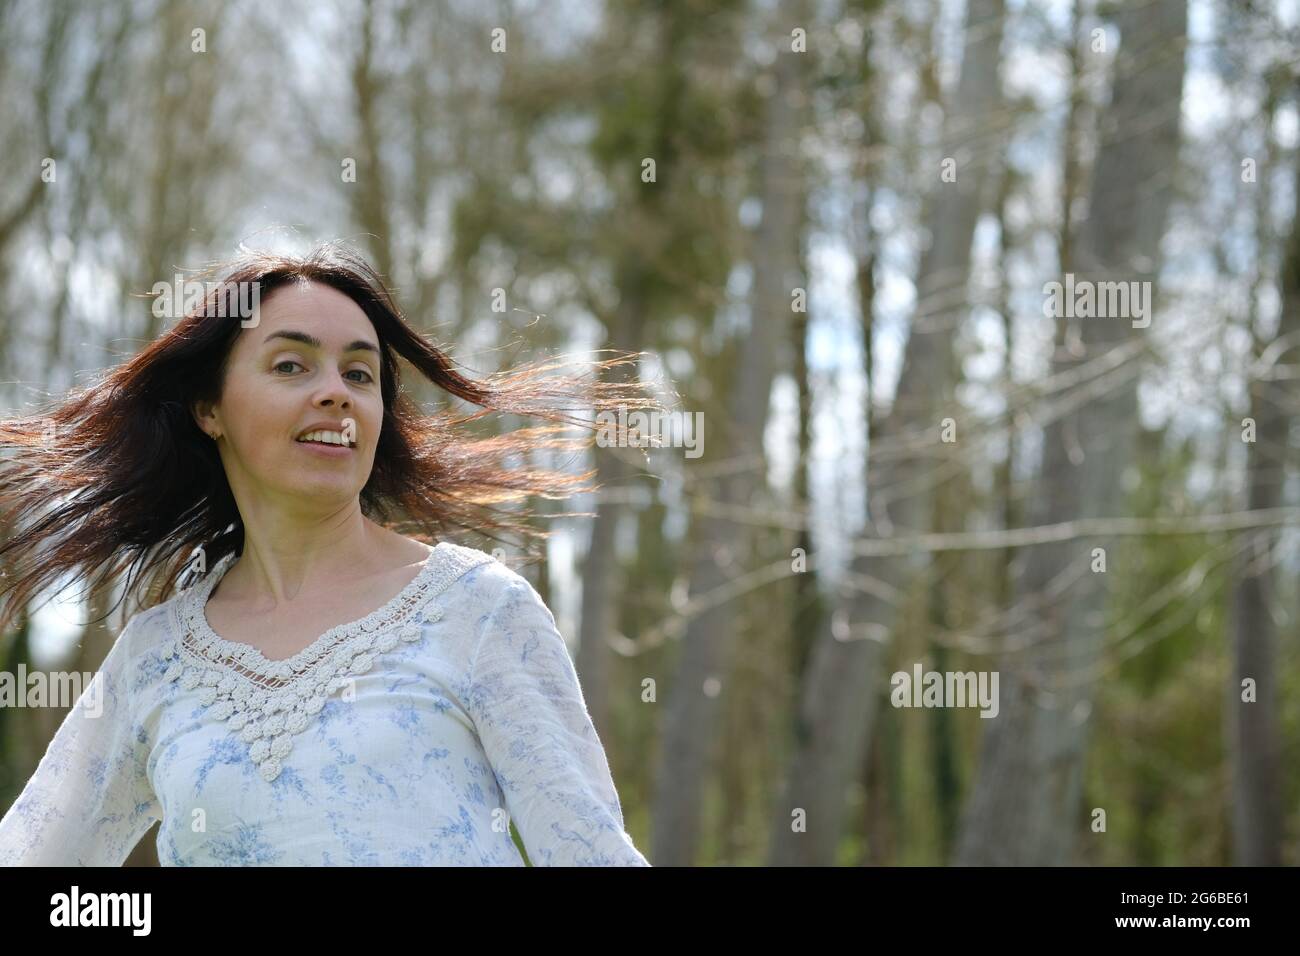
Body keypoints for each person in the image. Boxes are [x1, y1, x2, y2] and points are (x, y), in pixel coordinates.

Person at [0, 242, 655, 866]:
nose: (336, 391)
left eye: (360, 373)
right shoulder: (154, 659)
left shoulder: (480, 611)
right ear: (209, 407)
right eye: (291, 365)